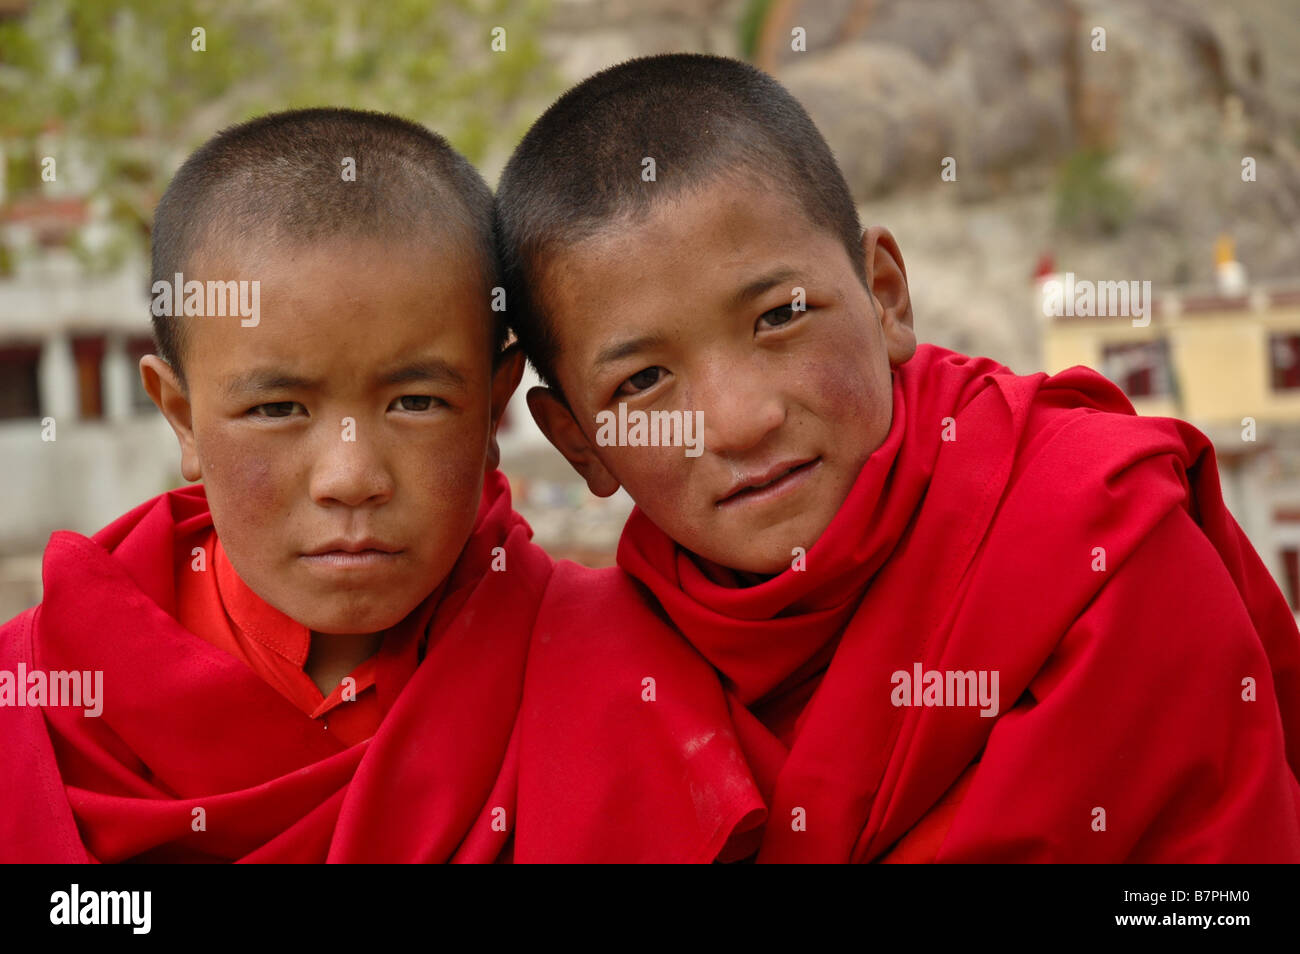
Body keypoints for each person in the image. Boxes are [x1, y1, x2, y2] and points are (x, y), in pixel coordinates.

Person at [494, 53, 1300, 862]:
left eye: (780, 317)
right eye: (643, 380)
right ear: (578, 443)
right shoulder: (585, 670)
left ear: (885, 294)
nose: (740, 423)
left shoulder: (1095, 529)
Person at [0, 107, 763, 862]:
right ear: (183, 418)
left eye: (417, 403)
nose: (351, 478)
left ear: (494, 410)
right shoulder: (46, 696)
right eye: (276, 408)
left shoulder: (611, 658)